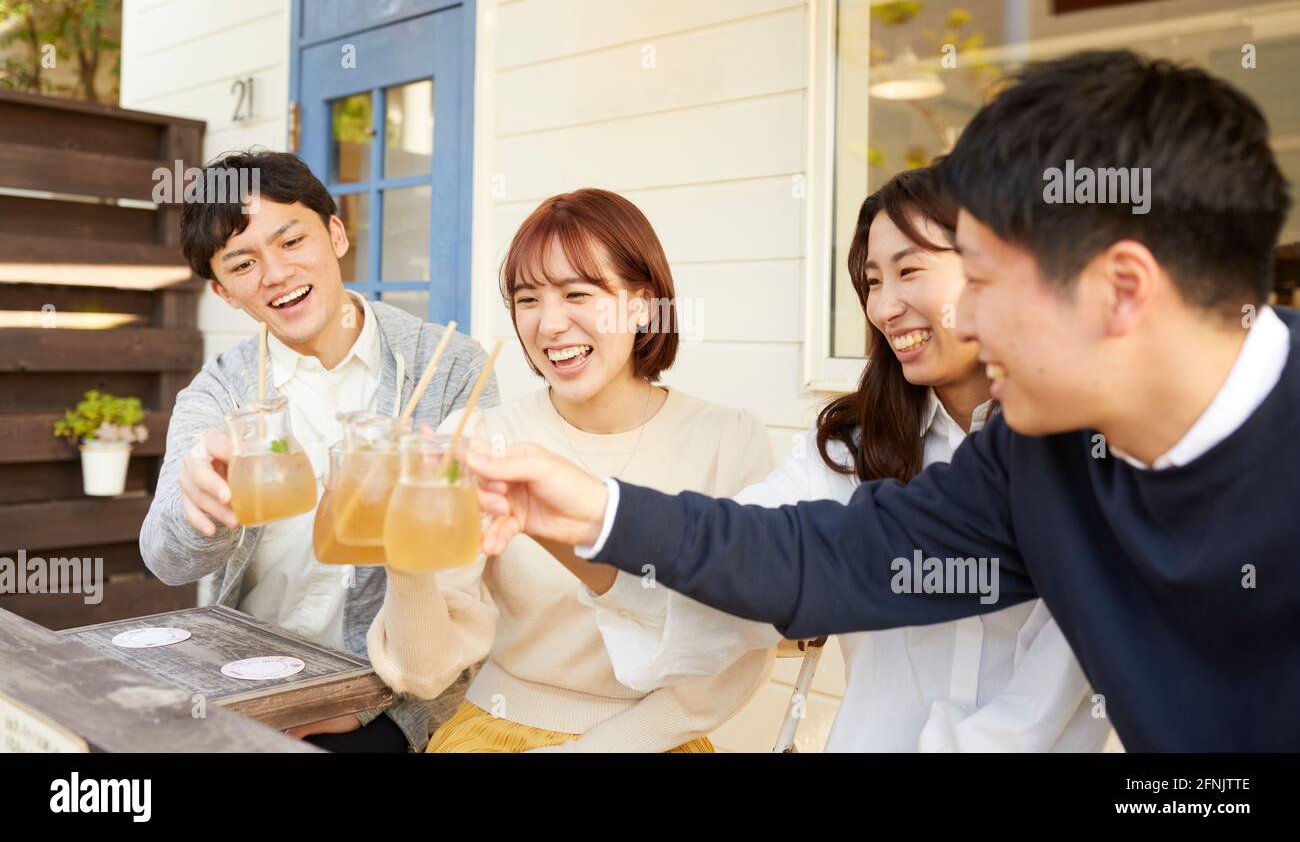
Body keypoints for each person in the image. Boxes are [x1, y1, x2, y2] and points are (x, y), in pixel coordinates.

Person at [466, 50, 1300, 751]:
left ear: (1121, 290)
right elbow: (824, 556)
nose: (960, 317)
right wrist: (595, 512)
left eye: (979, 281)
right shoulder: (1033, 453)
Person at [582, 167, 1110, 751]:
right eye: (871, 282)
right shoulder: (848, 443)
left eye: (909, 270)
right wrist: (591, 529)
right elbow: (757, 546)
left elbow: (1055, 684)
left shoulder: (1084, 448)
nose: (884, 308)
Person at [365, 188, 776, 752]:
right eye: (528, 299)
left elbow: (738, 654)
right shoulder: (482, 435)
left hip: (654, 742)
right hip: (494, 729)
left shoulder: (727, 441)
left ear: (641, 305)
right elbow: (425, 674)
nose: (550, 324)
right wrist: (406, 561)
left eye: (577, 293)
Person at [139, 150, 496, 752]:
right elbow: (166, 558)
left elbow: (472, 564)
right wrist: (200, 509)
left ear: (335, 234)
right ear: (224, 291)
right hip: (256, 687)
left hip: (398, 699)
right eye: (243, 263)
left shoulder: (447, 366)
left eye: (291, 241)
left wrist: (377, 709)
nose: (275, 273)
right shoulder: (222, 391)